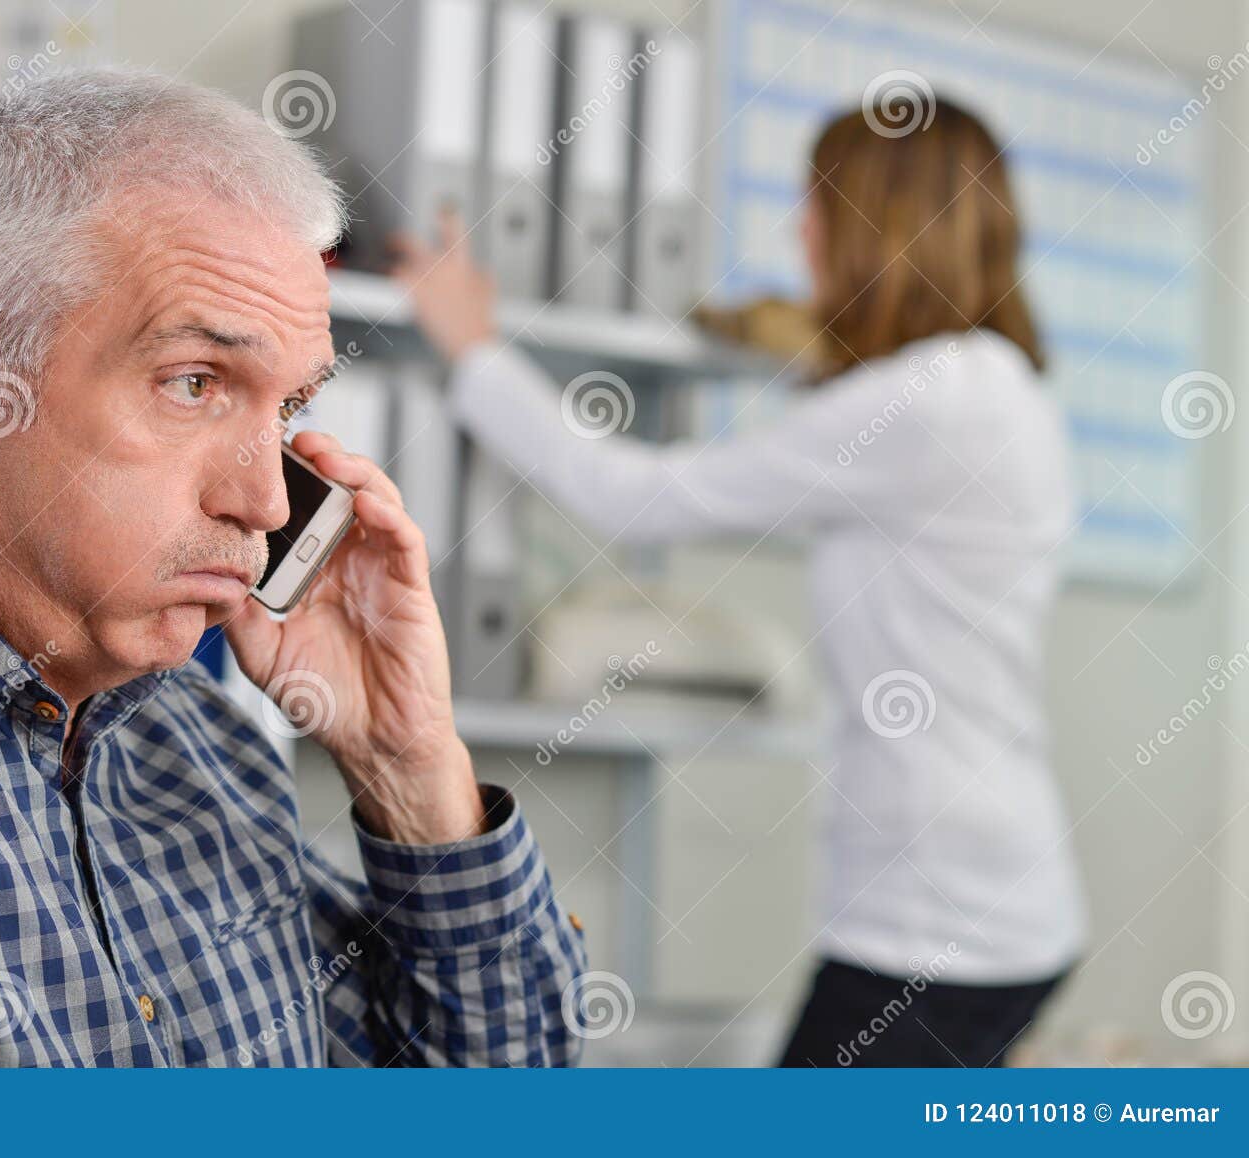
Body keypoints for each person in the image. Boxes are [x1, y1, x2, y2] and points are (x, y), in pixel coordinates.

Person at [0, 68, 584, 1067]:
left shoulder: (195, 747)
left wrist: (407, 766)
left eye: (289, 411)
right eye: (194, 383)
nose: (266, 501)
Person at [393, 98, 1083, 1067]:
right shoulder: (996, 386)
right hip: (998, 896)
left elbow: (637, 498)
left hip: (936, 919)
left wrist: (473, 346)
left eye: (819, 206)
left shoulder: (925, 401)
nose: (801, 229)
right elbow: (842, 396)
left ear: (878, 223)